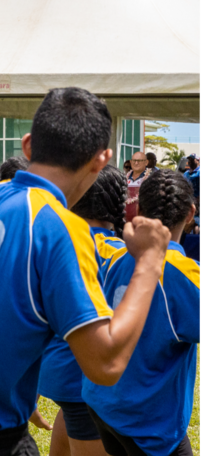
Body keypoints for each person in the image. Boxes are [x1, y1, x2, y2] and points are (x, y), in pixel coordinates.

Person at [0, 87, 172, 456]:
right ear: (102, 160)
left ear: (28, 145)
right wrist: (149, 262)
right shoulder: (60, 226)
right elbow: (106, 363)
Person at [82, 169, 201, 456]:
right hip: (147, 422)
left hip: (103, 403)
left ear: (139, 208)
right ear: (190, 214)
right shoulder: (181, 273)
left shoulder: (117, 255)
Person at [39, 165, 127, 456]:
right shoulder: (120, 252)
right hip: (85, 376)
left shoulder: (56, 242)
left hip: (55, 369)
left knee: (72, 418)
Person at [124, 151, 151, 222]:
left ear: (146, 162)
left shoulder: (150, 178)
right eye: (134, 161)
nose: (136, 163)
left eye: (139, 161)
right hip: (124, 219)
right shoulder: (124, 178)